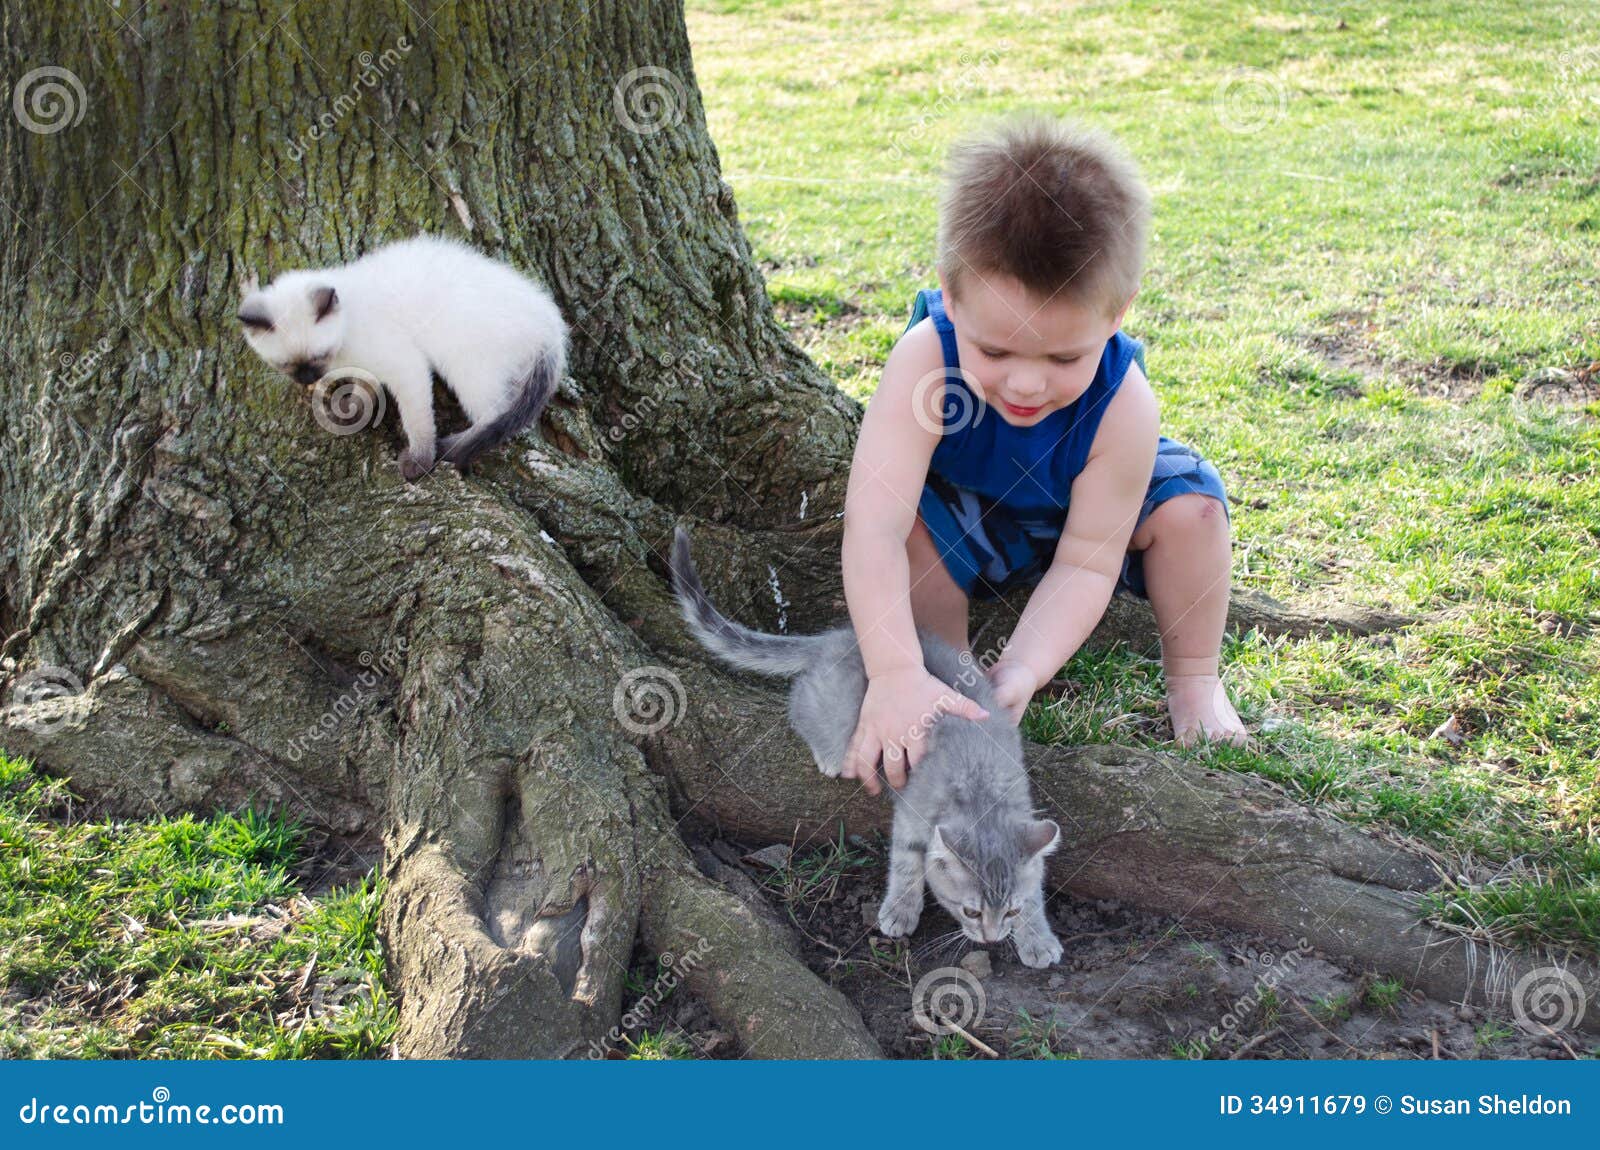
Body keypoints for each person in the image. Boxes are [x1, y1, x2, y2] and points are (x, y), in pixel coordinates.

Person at [840, 114, 1247, 795]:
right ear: (950, 295)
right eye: (995, 351)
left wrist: (1028, 665)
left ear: (1116, 315)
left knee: (1195, 511)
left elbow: (1088, 559)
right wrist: (890, 670)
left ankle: (1195, 682)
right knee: (912, 531)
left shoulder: (1124, 402)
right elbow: (873, 525)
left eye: (1063, 358)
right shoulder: (924, 363)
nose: (1026, 384)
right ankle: (946, 676)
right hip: (970, 512)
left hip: (1088, 514)